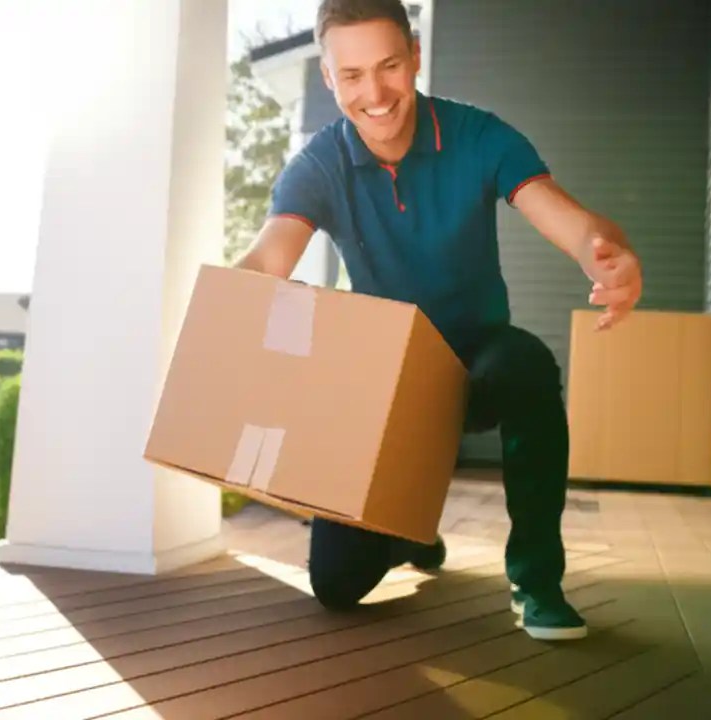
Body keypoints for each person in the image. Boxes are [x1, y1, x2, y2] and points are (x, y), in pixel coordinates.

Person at [233, 0, 642, 641]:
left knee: (528, 364)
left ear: (415, 56)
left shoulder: (478, 136)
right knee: (336, 589)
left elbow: (572, 221)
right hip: (382, 384)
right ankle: (411, 536)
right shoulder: (319, 164)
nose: (375, 93)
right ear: (330, 80)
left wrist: (608, 255)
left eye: (390, 66)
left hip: (477, 363)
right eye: (353, 75)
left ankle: (537, 581)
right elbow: (269, 256)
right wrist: (224, 305)